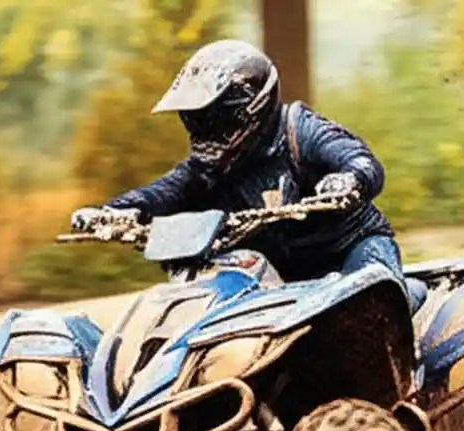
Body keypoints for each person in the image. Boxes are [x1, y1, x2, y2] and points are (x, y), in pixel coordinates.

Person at [70, 39, 427, 312]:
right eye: (196, 121)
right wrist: (118, 211)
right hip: (279, 271)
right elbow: (167, 190)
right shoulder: (209, 168)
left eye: (213, 120)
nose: (203, 131)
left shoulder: (300, 131)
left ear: (252, 109)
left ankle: (408, 363)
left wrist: (349, 181)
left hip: (348, 248)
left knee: (375, 303)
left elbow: (361, 160)